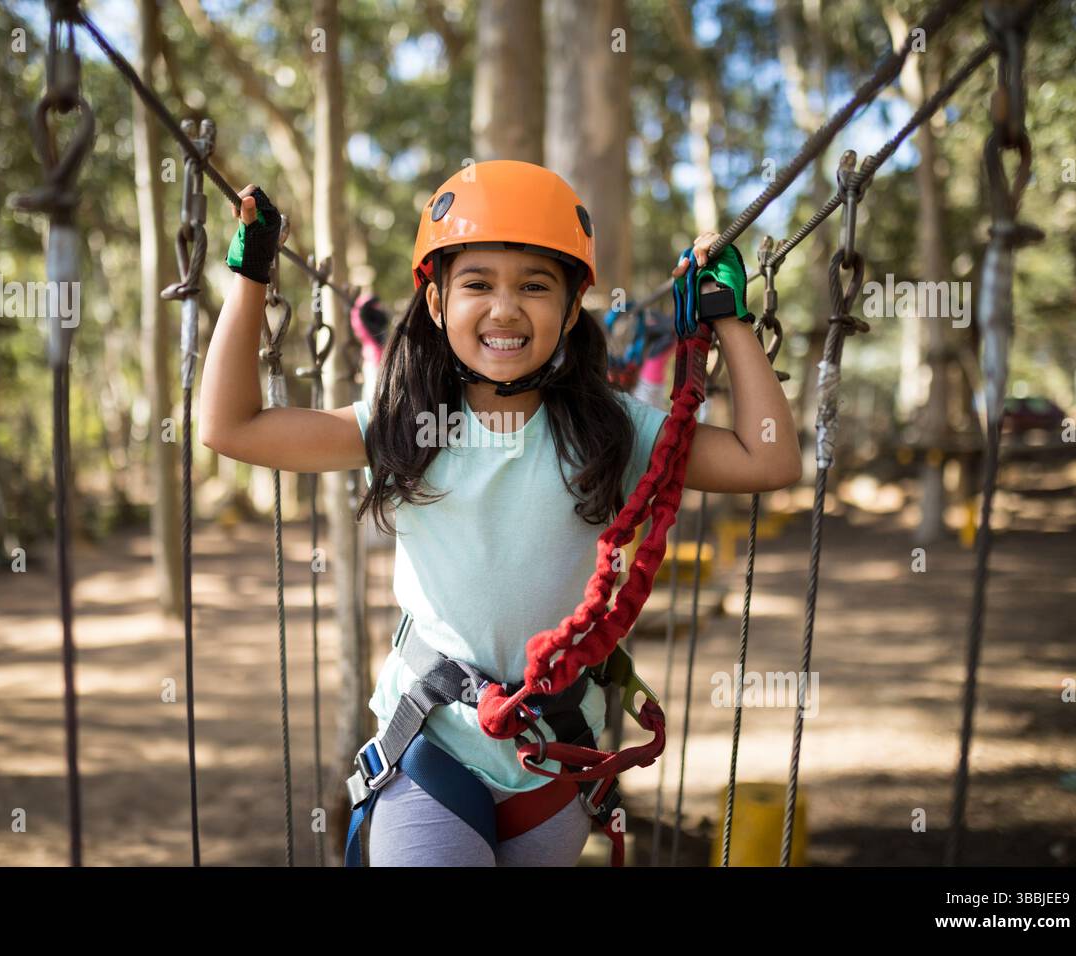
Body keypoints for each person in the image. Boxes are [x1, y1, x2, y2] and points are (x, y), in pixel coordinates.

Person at [198, 160, 801, 866]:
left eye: (535, 287)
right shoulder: (401, 425)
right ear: (435, 303)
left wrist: (729, 321)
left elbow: (770, 461)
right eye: (477, 284)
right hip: (435, 741)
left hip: (554, 751)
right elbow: (231, 427)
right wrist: (250, 278)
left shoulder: (611, 430)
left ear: (573, 310)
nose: (506, 309)